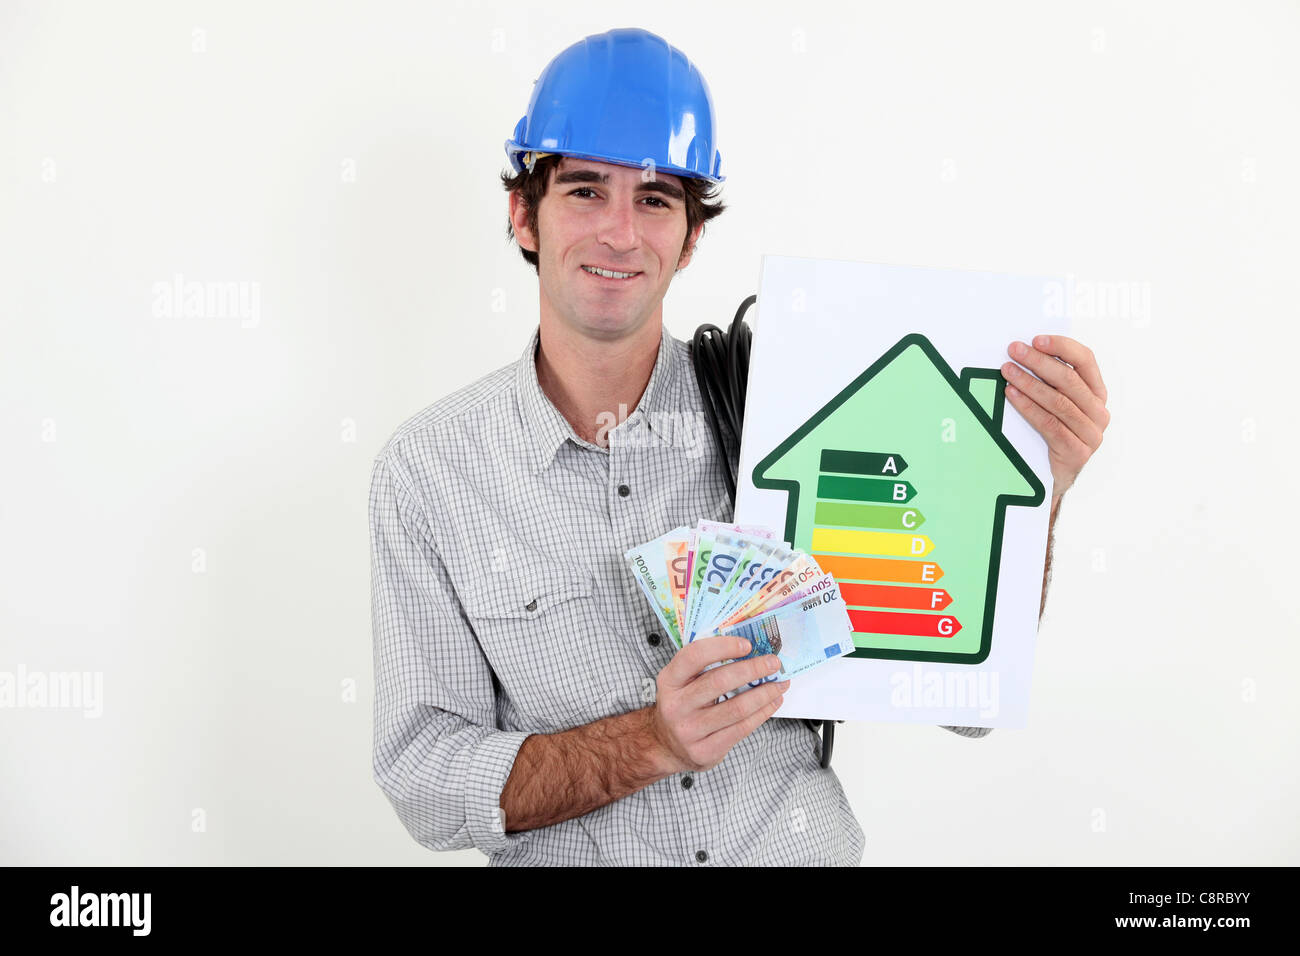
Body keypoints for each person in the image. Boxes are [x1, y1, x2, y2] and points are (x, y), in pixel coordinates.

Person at [368, 28, 1109, 866]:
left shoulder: (787, 408)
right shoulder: (427, 473)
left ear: (690, 239)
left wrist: (1038, 485)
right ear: (523, 214)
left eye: (654, 201)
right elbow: (426, 782)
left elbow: (960, 691)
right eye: (584, 191)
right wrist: (649, 741)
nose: (618, 232)